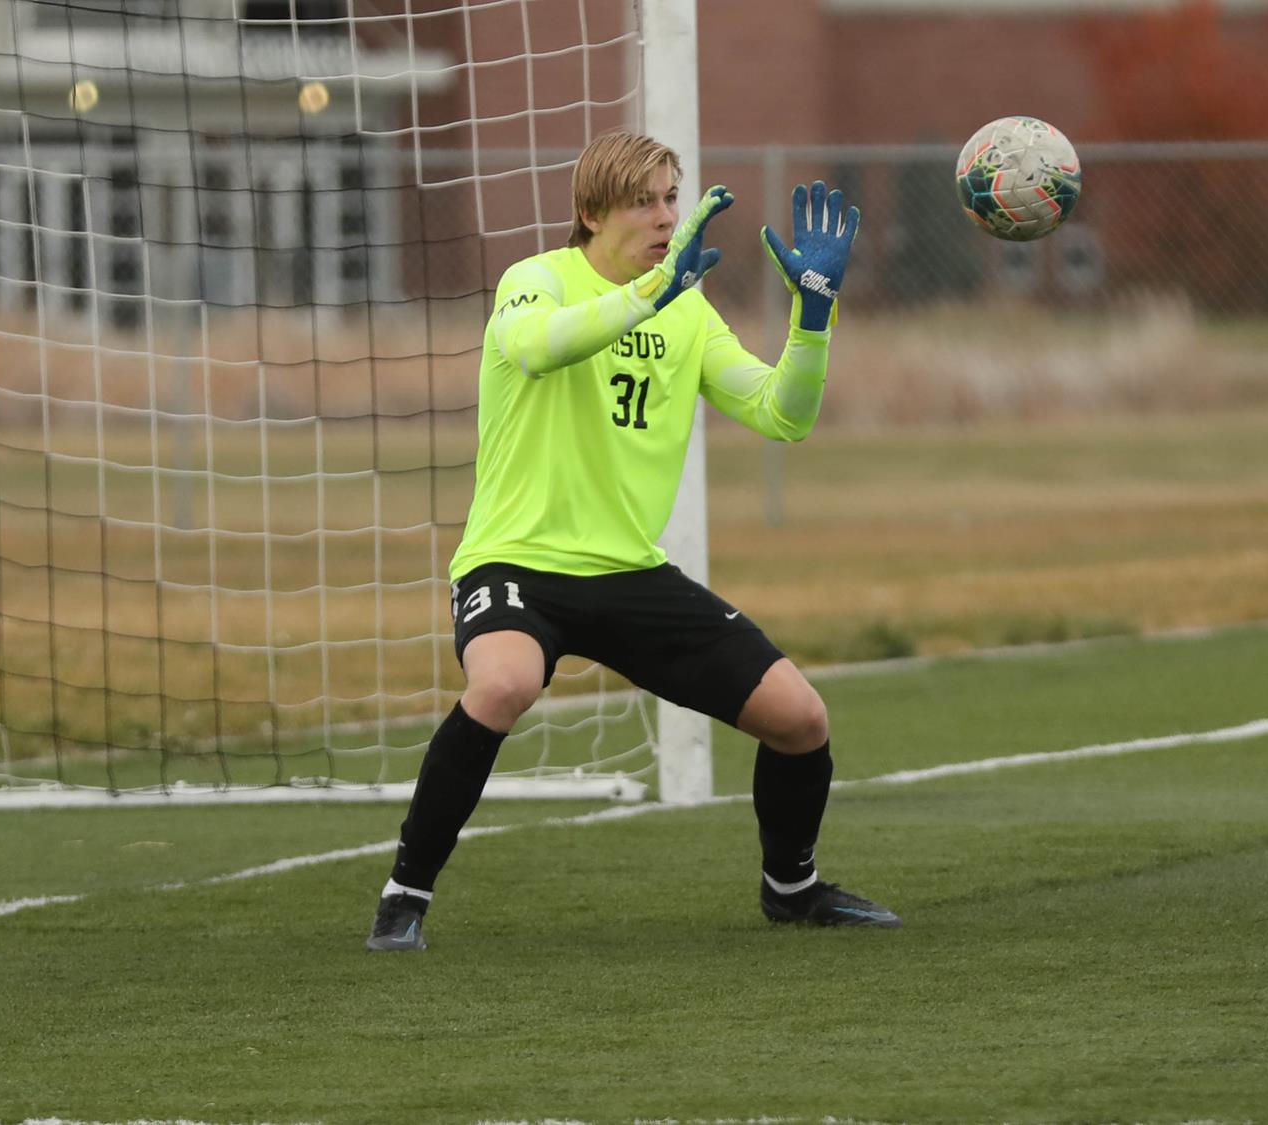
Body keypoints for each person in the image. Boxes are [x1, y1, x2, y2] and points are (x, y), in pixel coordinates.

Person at [367, 130, 899, 952]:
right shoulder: (538, 280)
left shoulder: (686, 309)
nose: (664, 217)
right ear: (591, 213)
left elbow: (782, 415)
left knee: (800, 718)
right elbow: (536, 348)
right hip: (517, 560)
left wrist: (813, 317)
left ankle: (791, 889)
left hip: (629, 573)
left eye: (669, 198)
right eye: (642, 202)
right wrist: (650, 294)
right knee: (504, 682)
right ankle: (404, 896)